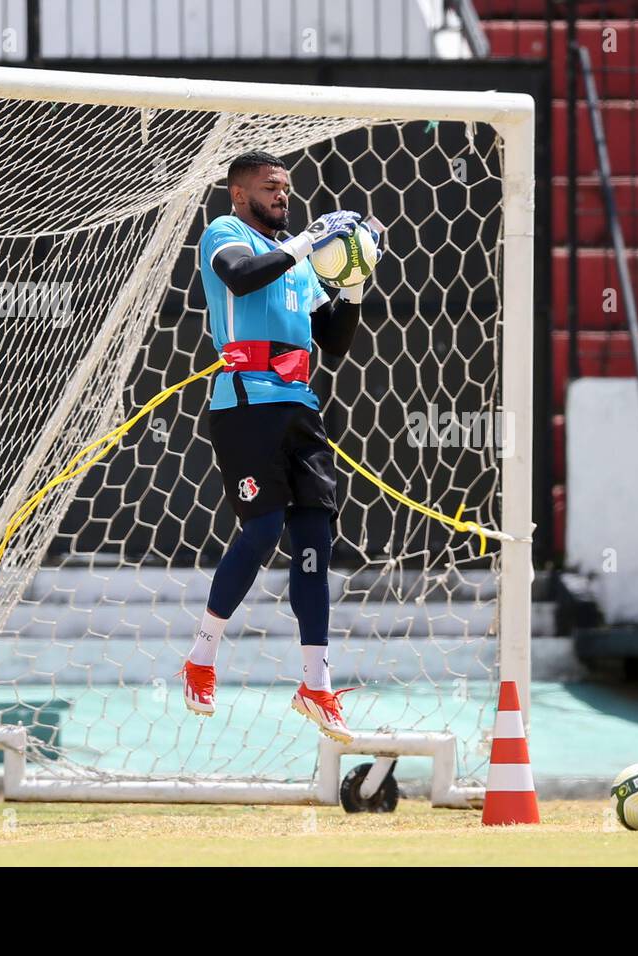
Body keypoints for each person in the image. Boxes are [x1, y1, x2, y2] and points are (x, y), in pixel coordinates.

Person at [180, 149, 374, 744]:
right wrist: (309, 242)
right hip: (245, 404)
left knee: (316, 538)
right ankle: (201, 658)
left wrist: (356, 281)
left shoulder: (300, 260)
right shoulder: (227, 232)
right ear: (240, 194)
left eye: (287, 187)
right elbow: (241, 275)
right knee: (263, 532)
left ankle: (316, 684)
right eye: (270, 187)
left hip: (300, 407)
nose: (283, 196)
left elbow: (334, 342)